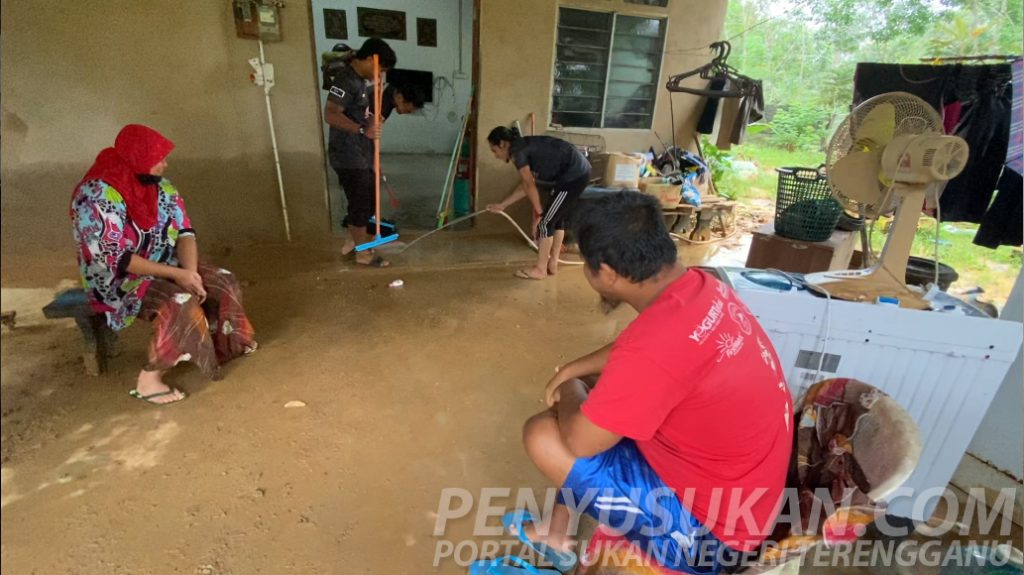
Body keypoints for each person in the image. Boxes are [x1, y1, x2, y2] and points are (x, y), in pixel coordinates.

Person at [498, 192, 793, 573]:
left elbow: (580, 441)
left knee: (546, 434)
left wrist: (570, 390)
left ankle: (658, 549)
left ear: (606, 273)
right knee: (600, 407)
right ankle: (557, 533)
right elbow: (638, 347)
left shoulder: (653, 351)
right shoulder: (704, 288)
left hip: (712, 536)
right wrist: (576, 368)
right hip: (750, 494)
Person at [70, 125, 257, 405]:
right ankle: (149, 380)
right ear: (138, 157)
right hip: (117, 279)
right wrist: (178, 275)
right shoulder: (97, 195)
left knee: (222, 280)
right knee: (180, 302)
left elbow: (185, 234)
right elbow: (115, 258)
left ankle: (224, 345)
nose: (165, 163)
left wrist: (190, 273)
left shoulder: (163, 188)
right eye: (159, 157)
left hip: (166, 264)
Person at [324, 37, 398, 267]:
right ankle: (364, 253)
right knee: (361, 203)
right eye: (381, 68)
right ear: (368, 59)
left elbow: (360, 113)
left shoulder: (359, 81)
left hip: (359, 153)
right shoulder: (346, 80)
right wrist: (361, 129)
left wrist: (371, 122)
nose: (380, 74)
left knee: (365, 200)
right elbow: (330, 114)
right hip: (347, 154)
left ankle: (351, 242)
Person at [486, 127, 591, 280]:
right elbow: (525, 186)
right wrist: (503, 205)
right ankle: (552, 264)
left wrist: (539, 214)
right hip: (574, 174)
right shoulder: (521, 147)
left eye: (494, 150)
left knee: (545, 224)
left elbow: (529, 185)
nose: (495, 156)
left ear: (503, 144)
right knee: (555, 220)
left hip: (573, 177)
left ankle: (540, 270)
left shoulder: (518, 152)